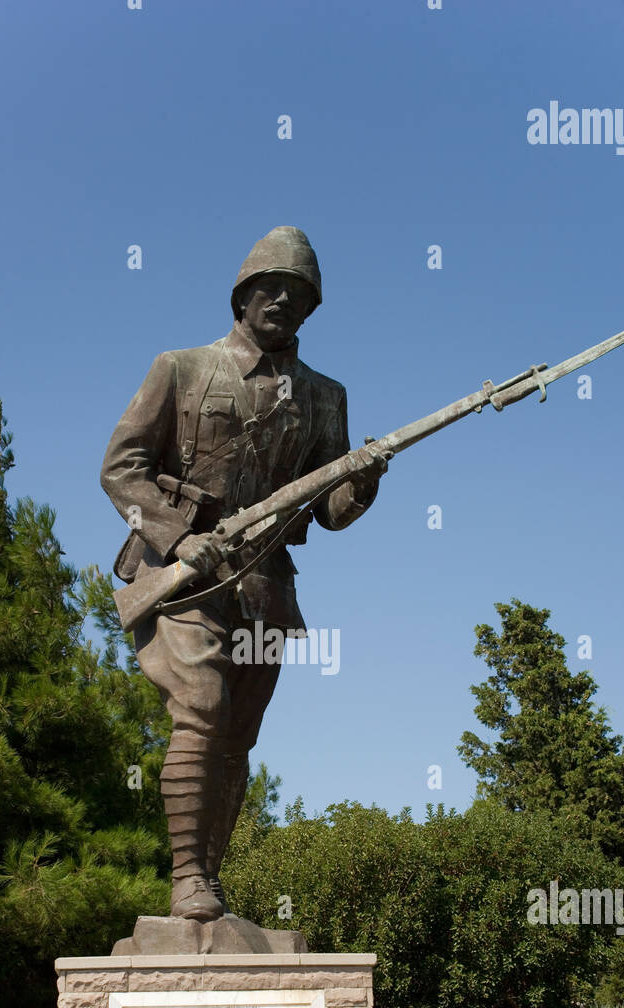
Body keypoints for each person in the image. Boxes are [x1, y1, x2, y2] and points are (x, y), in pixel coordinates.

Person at [102, 226, 389, 921]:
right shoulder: (181, 368)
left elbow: (329, 512)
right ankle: (187, 880)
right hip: (188, 578)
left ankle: (210, 882)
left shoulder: (326, 396)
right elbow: (122, 468)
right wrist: (176, 538)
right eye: (272, 288)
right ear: (242, 293)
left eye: (299, 296)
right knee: (201, 710)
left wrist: (365, 480)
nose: (283, 302)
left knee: (237, 736)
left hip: (265, 587)